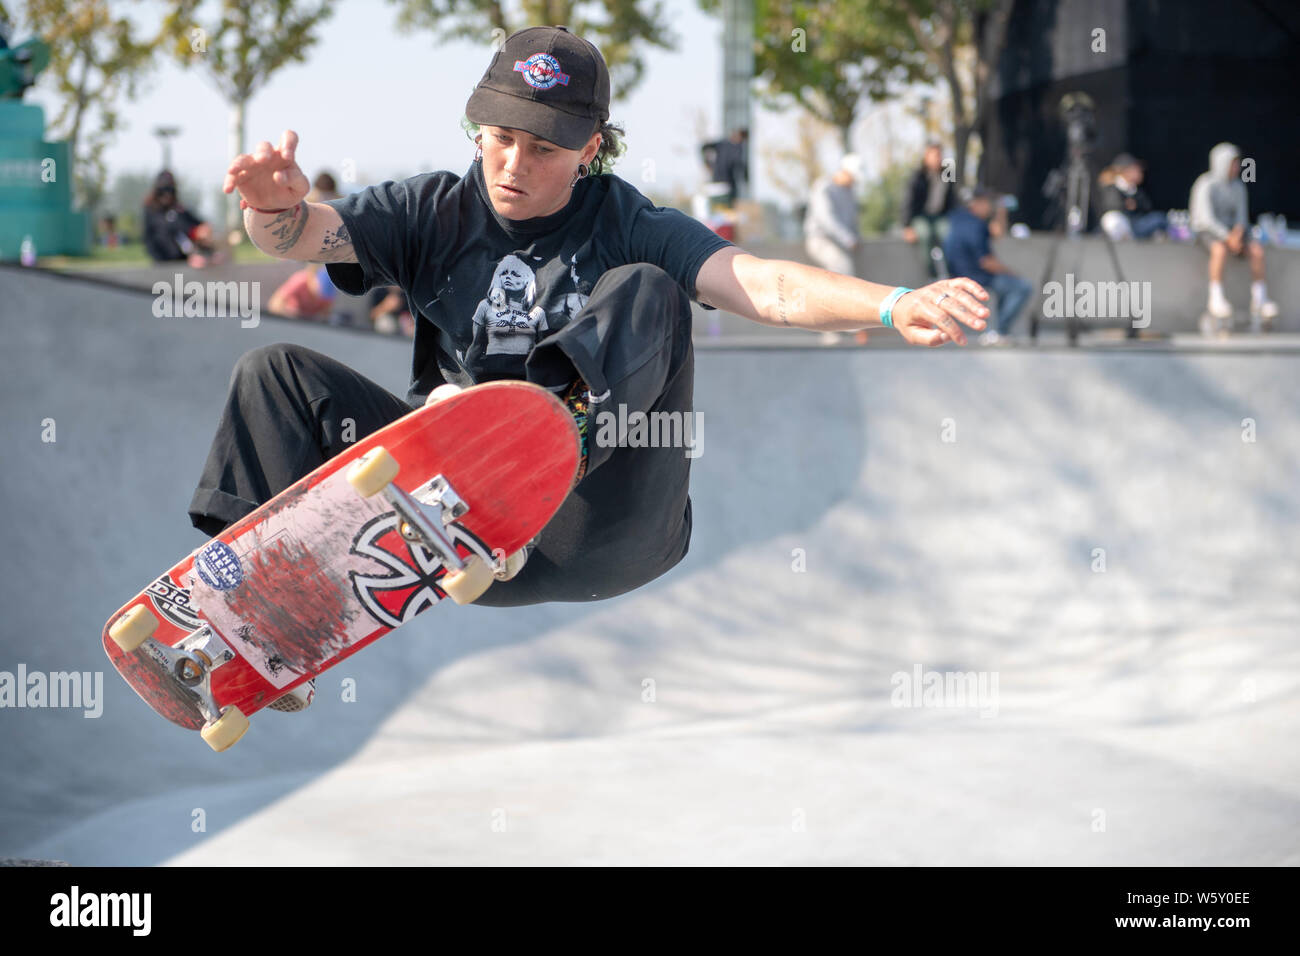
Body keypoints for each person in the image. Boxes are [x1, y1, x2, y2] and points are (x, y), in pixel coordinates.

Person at [205, 26, 989, 707]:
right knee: (273, 377)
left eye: (543, 149)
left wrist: (891, 305)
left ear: (589, 150)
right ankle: (254, 618)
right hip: (453, 531)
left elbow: (765, 285)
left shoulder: (626, 221)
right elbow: (308, 238)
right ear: (476, 129)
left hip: (604, 521)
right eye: (500, 138)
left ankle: (526, 455)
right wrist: (272, 211)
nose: (513, 164)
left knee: (651, 289)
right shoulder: (431, 211)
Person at [1189, 142, 1278, 330]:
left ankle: (1260, 299)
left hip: (1234, 234)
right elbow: (1205, 219)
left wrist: (1237, 234)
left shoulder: (1238, 186)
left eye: (1237, 163)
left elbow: (1241, 217)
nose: (1236, 167)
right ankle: (1215, 298)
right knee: (1219, 250)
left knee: (1256, 250)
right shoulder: (1205, 184)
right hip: (1209, 231)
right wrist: (1227, 237)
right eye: (1233, 163)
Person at [943, 186, 1031, 345]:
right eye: (988, 202)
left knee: (1008, 287)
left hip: (957, 274)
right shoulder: (976, 225)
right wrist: (1012, 272)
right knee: (1021, 287)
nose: (990, 206)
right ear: (977, 203)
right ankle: (999, 331)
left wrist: (1001, 212)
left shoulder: (958, 218)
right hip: (976, 278)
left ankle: (998, 330)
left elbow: (997, 233)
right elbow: (986, 262)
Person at [804, 154, 864, 344]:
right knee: (841, 266)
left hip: (840, 242)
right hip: (819, 239)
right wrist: (848, 239)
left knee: (840, 275)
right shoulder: (824, 188)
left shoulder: (850, 193)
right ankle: (841, 327)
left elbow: (853, 221)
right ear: (844, 172)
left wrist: (854, 237)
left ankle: (839, 325)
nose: (853, 182)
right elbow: (826, 219)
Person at [142, 170, 221, 267]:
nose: (167, 195)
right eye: (163, 191)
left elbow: (197, 226)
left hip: (188, 261)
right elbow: (156, 241)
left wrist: (203, 232)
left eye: (170, 190)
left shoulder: (179, 211)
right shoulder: (152, 212)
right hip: (165, 263)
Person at [900, 142, 957, 277]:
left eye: (939, 155)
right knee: (925, 234)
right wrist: (906, 226)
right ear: (926, 157)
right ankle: (931, 273)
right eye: (934, 155)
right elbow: (908, 201)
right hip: (921, 216)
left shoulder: (947, 173)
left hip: (940, 216)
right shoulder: (918, 176)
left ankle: (949, 270)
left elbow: (953, 197)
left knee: (950, 234)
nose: (938, 158)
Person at [1096, 153, 1166, 241]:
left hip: (1136, 225)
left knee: (1158, 218)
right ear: (1126, 171)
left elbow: (1147, 207)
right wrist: (1125, 204)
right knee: (1112, 219)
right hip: (1121, 223)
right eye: (1136, 169)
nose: (1140, 172)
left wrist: (1135, 203)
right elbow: (1111, 206)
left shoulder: (1135, 190)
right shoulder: (1113, 186)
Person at [266, 264, 339, 321]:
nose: (320, 295)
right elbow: (274, 304)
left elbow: (326, 314)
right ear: (312, 276)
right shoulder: (300, 280)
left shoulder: (328, 292)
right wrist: (288, 315)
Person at [699, 127, 748, 207]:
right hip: (720, 183)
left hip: (728, 184)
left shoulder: (735, 146)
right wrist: (707, 163)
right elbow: (704, 147)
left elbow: (740, 167)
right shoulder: (724, 144)